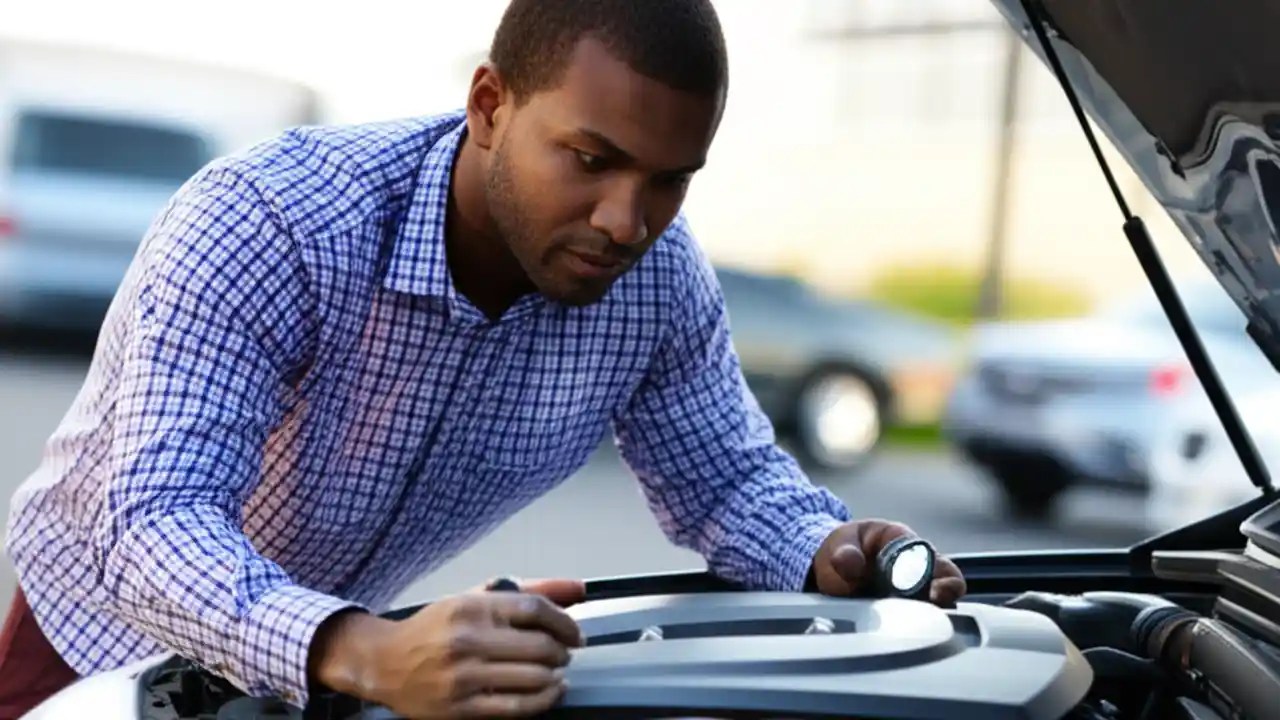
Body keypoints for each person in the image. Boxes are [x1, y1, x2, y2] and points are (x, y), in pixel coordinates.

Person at [0, 1, 966, 718]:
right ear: (491, 104)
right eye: (591, 159)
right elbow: (153, 523)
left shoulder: (658, 279)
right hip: (97, 652)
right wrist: (365, 651)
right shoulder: (272, 221)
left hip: (344, 665)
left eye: (668, 181)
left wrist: (824, 548)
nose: (627, 222)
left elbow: (728, 483)